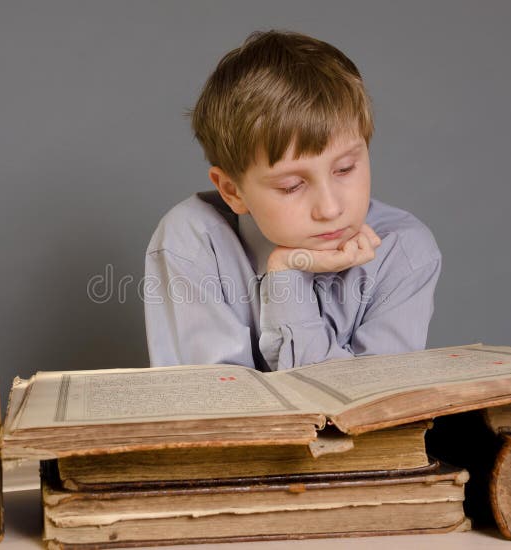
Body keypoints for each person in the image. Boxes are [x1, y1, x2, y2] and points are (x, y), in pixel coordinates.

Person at [144, 30, 441, 371]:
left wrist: (286, 274)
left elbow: (367, 410)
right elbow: (217, 409)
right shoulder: (192, 242)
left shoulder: (404, 250)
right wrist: (287, 273)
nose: (330, 209)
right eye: (291, 186)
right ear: (232, 191)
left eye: (344, 169)